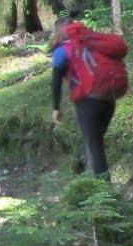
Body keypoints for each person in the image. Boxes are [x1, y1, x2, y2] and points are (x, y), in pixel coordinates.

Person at [50, 15, 127, 178]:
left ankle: (102, 192)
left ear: (58, 31)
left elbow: (56, 78)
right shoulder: (92, 42)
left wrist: (56, 107)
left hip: (89, 99)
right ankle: (98, 184)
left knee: (93, 145)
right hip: (109, 98)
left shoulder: (63, 50)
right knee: (96, 142)